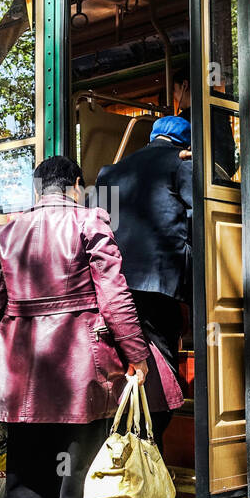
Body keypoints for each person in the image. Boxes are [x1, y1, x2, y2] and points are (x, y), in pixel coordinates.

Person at [0, 155, 182, 498]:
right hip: (79, 369)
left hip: (19, 366)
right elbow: (115, 296)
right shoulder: (91, 222)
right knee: (78, 473)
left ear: (37, 190)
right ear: (75, 185)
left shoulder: (7, 231)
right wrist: (136, 355)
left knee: (25, 472)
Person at [95, 115, 193, 449]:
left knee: (124, 366)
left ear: (152, 137)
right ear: (184, 143)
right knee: (162, 370)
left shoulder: (111, 171)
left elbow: (101, 232)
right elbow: (201, 218)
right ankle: (148, 451)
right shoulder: (180, 165)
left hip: (114, 287)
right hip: (159, 287)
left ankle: (120, 443)